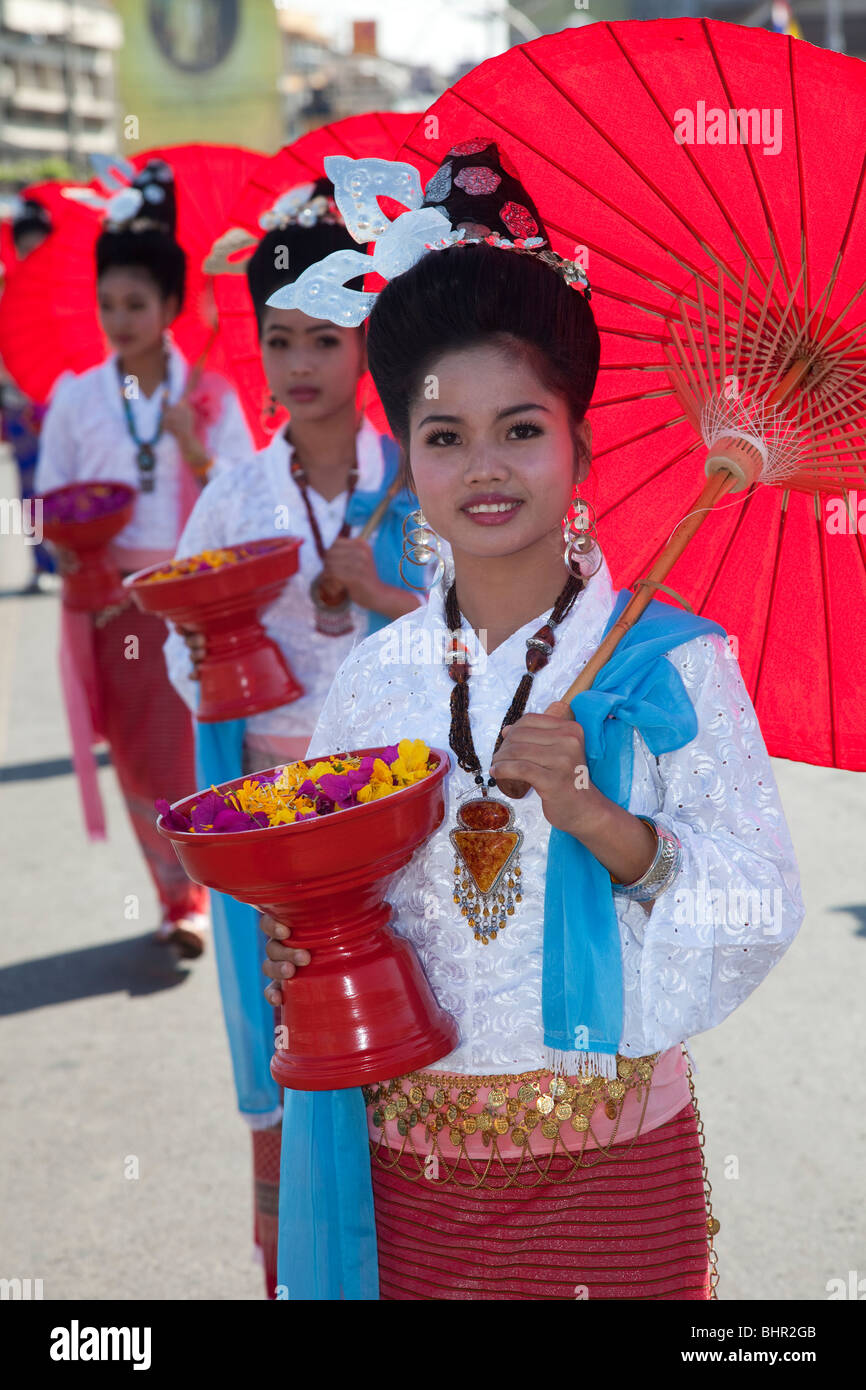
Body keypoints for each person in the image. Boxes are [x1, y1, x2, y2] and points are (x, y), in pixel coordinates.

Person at [260, 143, 805, 1301]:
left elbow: (759, 900)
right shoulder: (372, 682)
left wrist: (597, 817)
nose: (481, 467)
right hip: (409, 1167)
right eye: (443, 437)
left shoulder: (669, 664)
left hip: (609, 1169)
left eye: (519, 428)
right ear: (407, 462)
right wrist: (297, 942)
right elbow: (327, 899)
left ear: (580, 445)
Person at [163, 177, 425, 1296]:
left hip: (396, 810)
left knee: (396, 1029)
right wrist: (221, 639)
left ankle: (407, 1257)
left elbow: (473, 646)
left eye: (326, 336)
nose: (301, 361)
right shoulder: (237, 493)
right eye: (280, 339)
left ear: (367, 344)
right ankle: (301, 1270)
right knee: (297, 1033)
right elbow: (179, 647)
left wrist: (382, 594)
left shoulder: (419, 475)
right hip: (277, 818)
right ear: (257, 351)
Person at [35, 159, 253, 959]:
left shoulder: (211, 396)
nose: (119, 320)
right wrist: (69, 535)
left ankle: (210, 892)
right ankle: (172, 893)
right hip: (114, 605)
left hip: (195, 603)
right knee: (135, 755)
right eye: (108, 305)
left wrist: (196, 454)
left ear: (171, 306)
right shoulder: (75, 398)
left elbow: (244, 500)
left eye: (136, 304)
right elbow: (44, 501)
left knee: (197, 752)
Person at [0, 197, 54, 586]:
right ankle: (39, 562)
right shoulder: (7, 292)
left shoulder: (65, 292)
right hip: (20, 401)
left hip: (58, 402)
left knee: (66, 484)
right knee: (30, 486)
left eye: (40, 247)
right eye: (27, 248)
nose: (33, 255)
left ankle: (68, 555)